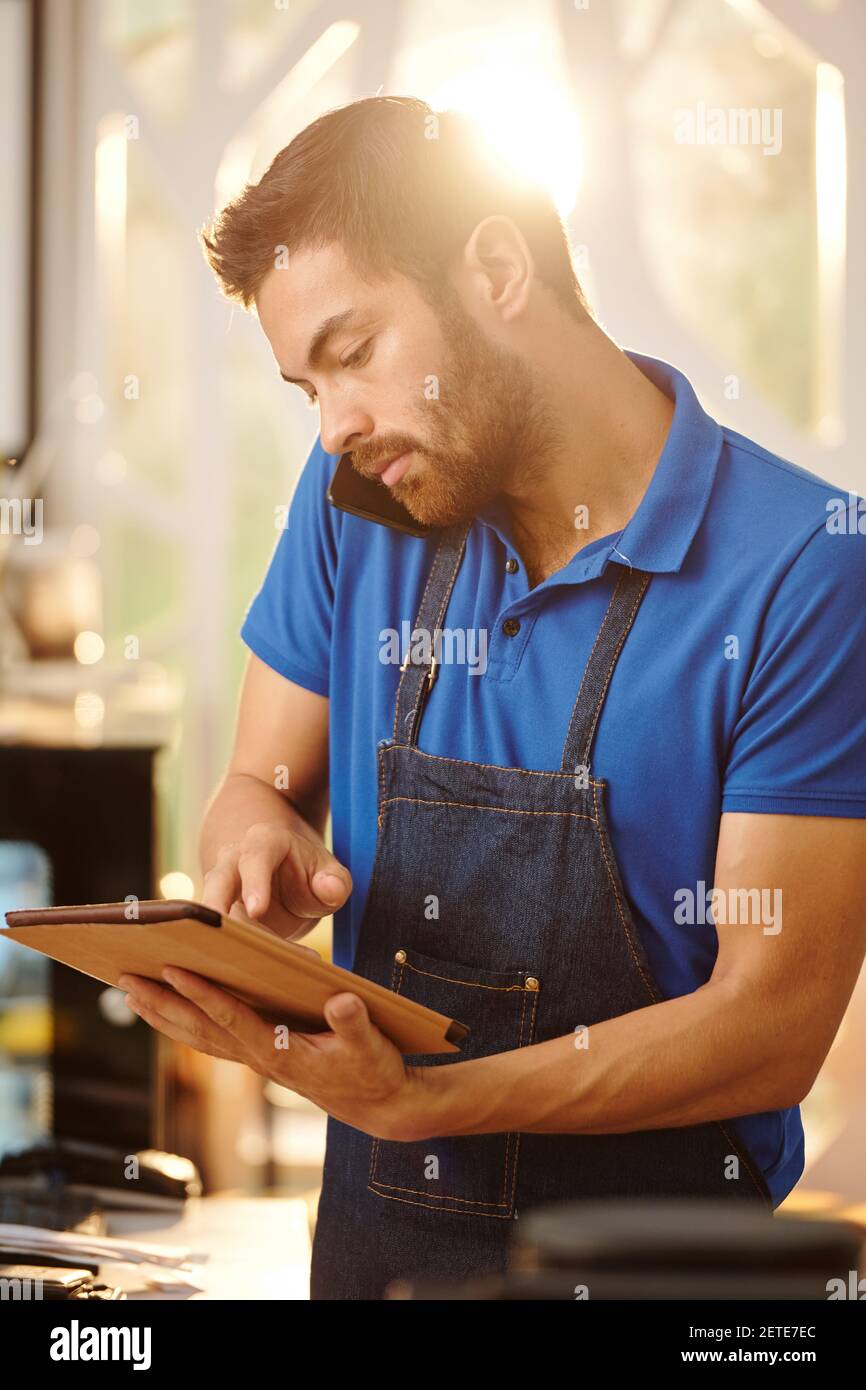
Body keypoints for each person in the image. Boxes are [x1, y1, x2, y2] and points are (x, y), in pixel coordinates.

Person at [120, 96, 866, 1300]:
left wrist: (424, 1101)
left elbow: (768, 1023)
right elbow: (256, 785)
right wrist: (254, 841)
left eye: (352, 355)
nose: (334, 430)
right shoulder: (350, 510)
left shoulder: (804, 568)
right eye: (304, 386)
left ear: (498, 268)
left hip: (665, 1295)